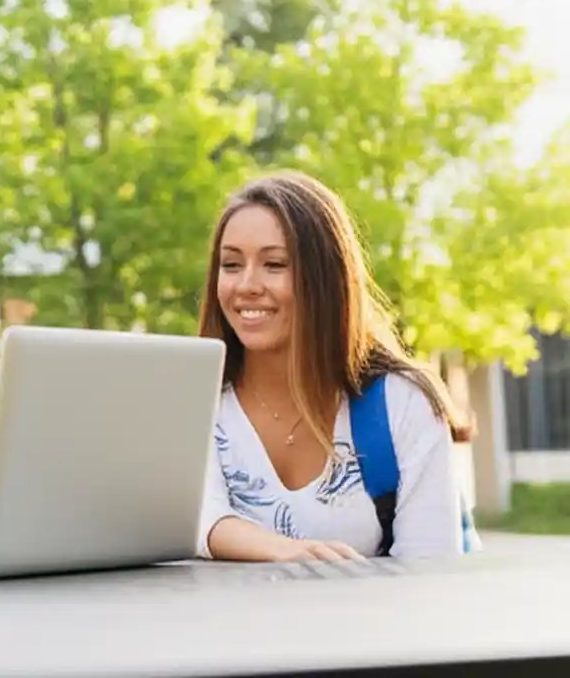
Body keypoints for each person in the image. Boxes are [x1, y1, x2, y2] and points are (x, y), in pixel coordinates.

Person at [197, 171, 469, 562]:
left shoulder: (402, 403)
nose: (247, 285)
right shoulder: (200, 403)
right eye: (231, 265)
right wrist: (289, 552)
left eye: (275, 264)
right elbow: (199, 521)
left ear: (326, 277)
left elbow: (430, 569)